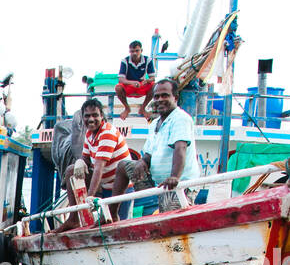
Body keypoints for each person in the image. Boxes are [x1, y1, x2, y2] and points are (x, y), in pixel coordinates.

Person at [122, 78, 200, 212]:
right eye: (156, 96)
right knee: (124, 166)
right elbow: (149, 153)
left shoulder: (180, 118)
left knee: (169, 217)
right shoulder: (154, 123)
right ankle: (113, 214)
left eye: (165, 95)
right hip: (157, 182)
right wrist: (142, 161)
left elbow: (180, 148)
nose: (159, 99)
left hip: (179, 183)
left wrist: (175, 177)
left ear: (175, 98)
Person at [61, 97, 130, 225]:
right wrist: (80, 162)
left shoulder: (107, 133)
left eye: (95, 115)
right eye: (87, 116)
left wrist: (90, 197)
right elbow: (86, 158)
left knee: (113, 224)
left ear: (102, 116)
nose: (91, 119)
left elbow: (99, 168)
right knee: (71, 170)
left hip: (120, 188)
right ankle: (74, 218)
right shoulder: (89, 133)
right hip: (104, 187)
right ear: (82, 117)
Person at [115, 40, 156, 119]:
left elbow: (152, 78)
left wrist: (147, 81)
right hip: (129, 87)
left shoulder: (148, 60)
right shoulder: (125, 61)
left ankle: (143, 108)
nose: (134, 53)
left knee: (154, 86)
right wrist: (131, 83)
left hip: (141, 86)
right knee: (118, 87)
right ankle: (127, 108)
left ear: (141, 50)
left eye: (137, 51)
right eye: (132, 51)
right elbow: (121, 79)